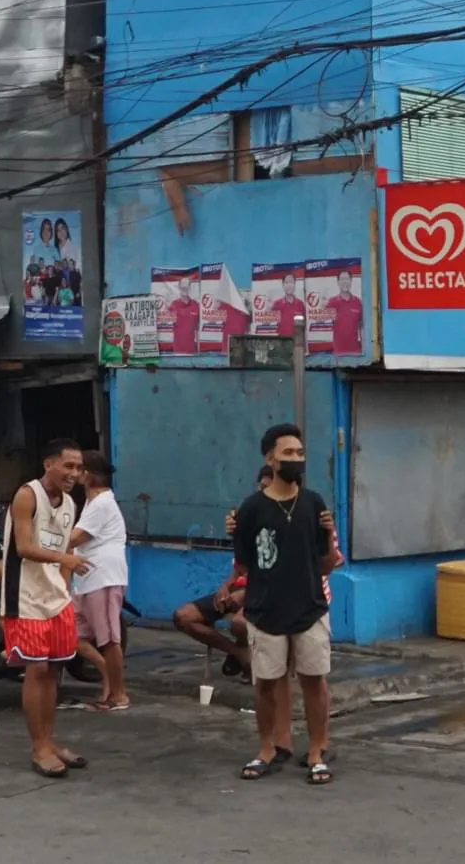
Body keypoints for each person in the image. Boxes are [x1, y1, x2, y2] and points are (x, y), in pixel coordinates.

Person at [234, 423, 333, 785]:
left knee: (314, 680)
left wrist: (331, 539)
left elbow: (325, 562)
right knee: (265, 683)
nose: (296, 459)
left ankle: (318, 750)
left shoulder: (314, 504)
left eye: (300, 453)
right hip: (265, 609)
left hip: (309, 607)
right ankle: (267, 748)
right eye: (288, 452)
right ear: (270, 457)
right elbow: (244, 563)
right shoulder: (251, 509)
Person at [0, 439, 89, 778]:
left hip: (55, 597)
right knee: (36, 671)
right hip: (24, 597)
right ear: (49, 463)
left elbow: (64, 546)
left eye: (79, 468)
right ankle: (38, 747)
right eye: (68, 466)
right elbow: (24, 547)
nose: (74, 473)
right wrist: (64, 559)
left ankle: (50, 743)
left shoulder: (69, 503)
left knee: (54, 670)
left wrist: (64, 583)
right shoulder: (27, 495)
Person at [70, 451, 130, 712]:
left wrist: (40, 544)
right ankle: (107, 673)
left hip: (103, 577)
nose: (74, 474)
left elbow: (76, 537)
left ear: (89, 476)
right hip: (87, 578)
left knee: (108, 639)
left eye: (78, 469)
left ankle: (119, 695)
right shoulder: (92, 503)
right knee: (71, 635)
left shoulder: (102, 502)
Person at [173, 572, 250, 681]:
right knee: (183, 617)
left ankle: (253, 659)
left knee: (239, 624)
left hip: (267, 595)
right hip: (239, 590)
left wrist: (248, 594)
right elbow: (239, 567)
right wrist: (225, 587)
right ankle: (240, 653)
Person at [327, 269, 363, 355]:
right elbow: (326, 323)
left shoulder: (357, 302)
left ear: (351, 281)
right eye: (342, 279)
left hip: (355, 352)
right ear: (338, 282)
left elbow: (362, 326)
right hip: (338, 353)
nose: (344, 282)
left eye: (347, 279)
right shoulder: (332, 302)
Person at [270, 273, 307, 338]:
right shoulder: (276, 304)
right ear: (283, 285)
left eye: (291, 282)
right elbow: (270, 324)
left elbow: (304, 326)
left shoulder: (300, 304)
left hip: (297, 343)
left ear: (295, 285)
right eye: (286, 282)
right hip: (281, 342)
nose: (289, 285)